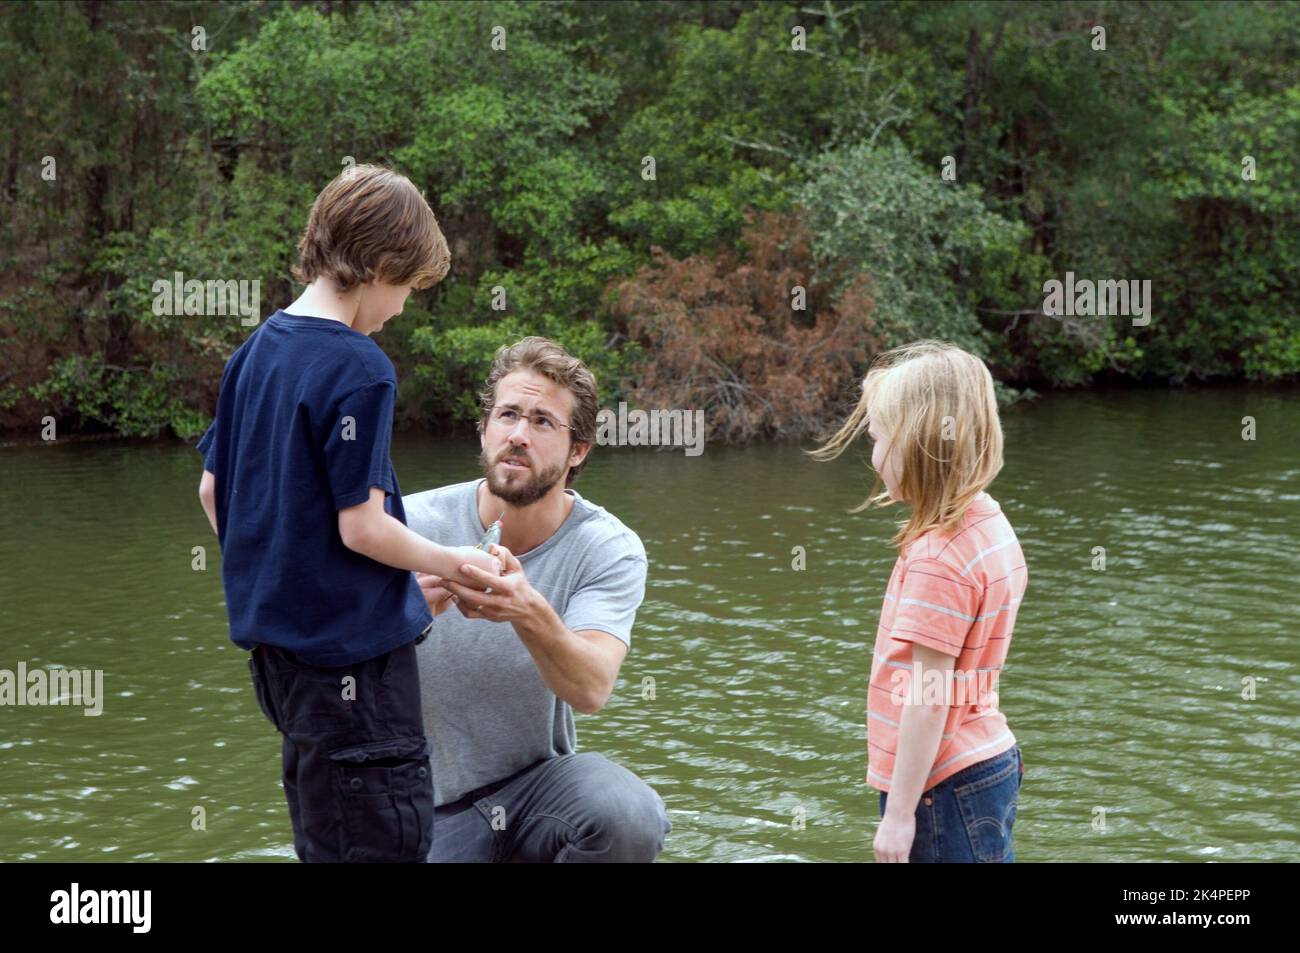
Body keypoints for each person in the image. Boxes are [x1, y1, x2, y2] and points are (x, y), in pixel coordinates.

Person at [196, 164, 498, 863]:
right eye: (406, 289)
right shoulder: (360, 367)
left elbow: (216, 494)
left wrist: (337, 597)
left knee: (326, 837)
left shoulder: (255, 352)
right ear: (380, 264)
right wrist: (458, 560)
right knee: (383, 840)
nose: (400, 309)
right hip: (358, 683)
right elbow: (359, 525)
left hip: (285, 670)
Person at [406, 337, 671, 862]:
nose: (518, 435)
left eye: (543, 421)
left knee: (627, 815)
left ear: (578, 451)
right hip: (422, 804)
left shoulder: (607, 547)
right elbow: (321, 659)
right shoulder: (408, 525)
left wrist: (527, 609)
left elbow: (591, 688)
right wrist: (401, 615)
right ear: (484, 430)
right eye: (507, 415)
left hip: (538, 792)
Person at [811, 340, 1027, 863]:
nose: (874, 456)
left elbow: (929, 696)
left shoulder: (938, 558)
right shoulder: (988, 521)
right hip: (988, 760)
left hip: (939, 784)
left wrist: (900, 814)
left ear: (921, 445)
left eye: (879, 439)